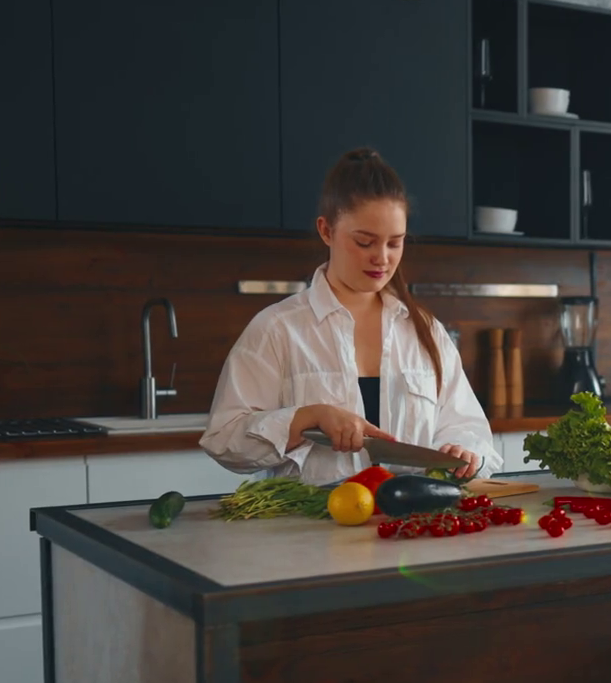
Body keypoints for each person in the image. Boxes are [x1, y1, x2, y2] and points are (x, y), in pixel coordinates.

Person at [200, 148, 499, 486]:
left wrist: (464, 450)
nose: (381, 258)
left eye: (394, 243)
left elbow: (469, 428)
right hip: (306, 519)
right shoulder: (277, 328)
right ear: (326, 230)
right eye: (365, 242)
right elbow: (224, 438)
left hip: (414, 516)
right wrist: (306, 418)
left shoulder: (425, 330)